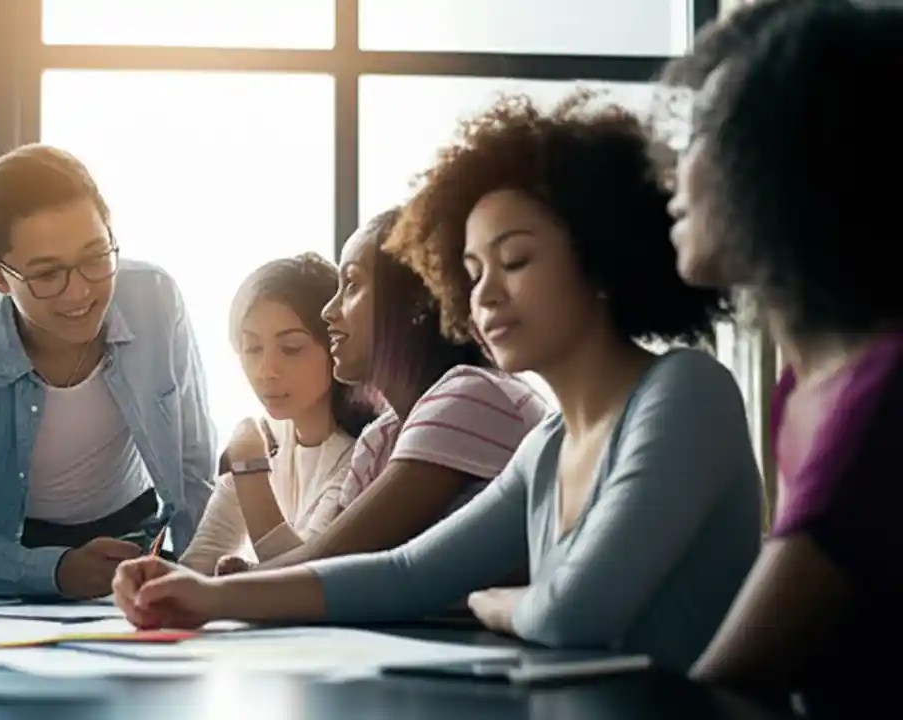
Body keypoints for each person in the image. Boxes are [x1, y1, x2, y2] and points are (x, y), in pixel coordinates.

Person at [112, 93, 761, 673]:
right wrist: (209, 596)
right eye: (473, 271)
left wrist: (491, 601)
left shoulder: (685, 392)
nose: (486, 295)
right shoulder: (549, 446)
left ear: (602, 257)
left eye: (515, 260)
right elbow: (407, 571)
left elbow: (573, 615)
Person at [664, 2, 903, 711]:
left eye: (704, 132)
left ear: (790, 155)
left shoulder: (884, 394)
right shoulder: (802, 386)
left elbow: (735, 677)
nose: (676, 167)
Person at [0, 144, 215, 600]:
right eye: (46, 274)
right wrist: (57, 571)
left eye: (96, 256)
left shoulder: (154, 299)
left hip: (137, 544)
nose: (80, 292)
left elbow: (194, 466)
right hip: (3, 560)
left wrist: (204, 581)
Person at [218, 208, 548, 575]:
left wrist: (231, 586)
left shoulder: (473, 396)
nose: (329, 310)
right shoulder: (381, 437)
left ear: (413, 302)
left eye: (353, 285)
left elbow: (331, 568)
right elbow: (325, 563)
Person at [180, 254, 379, 574]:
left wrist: (250, 470)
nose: (266, 371)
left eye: (291, 349)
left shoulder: (367, 450)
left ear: (335, 344)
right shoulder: (264, 438)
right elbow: (199, 560)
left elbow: (309, 576)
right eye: (252, 348)